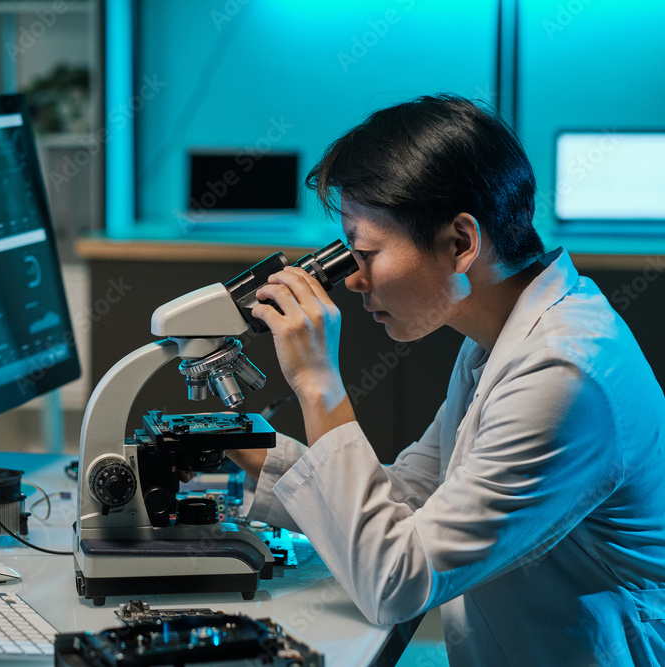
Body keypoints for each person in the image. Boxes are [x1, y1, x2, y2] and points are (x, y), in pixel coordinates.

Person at [226, 94, 665, 665]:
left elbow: (396, 582)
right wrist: (255, 450)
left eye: (364, 252)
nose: (352, 280)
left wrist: (318, 383)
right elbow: (413, 495)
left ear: (460, 243)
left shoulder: (563, 372)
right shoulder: (500, 336)